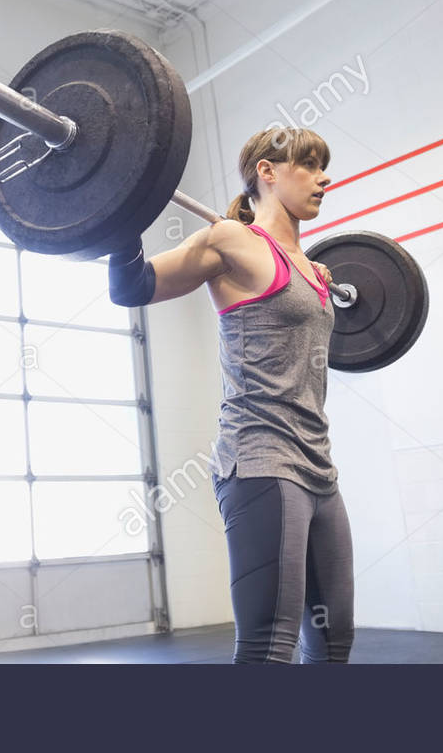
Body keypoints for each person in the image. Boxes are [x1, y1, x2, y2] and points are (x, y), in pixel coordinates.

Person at [107, 126, 353, 664]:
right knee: (269, 647)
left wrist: (317, 280)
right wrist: (120, 216)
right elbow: (132, 287)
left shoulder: (315, 270)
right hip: (261, 460)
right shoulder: (230, 241)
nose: (324, 177)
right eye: (309, 165)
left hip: (318, 465)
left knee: (334, 646)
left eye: (323, 166)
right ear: (267, 172)